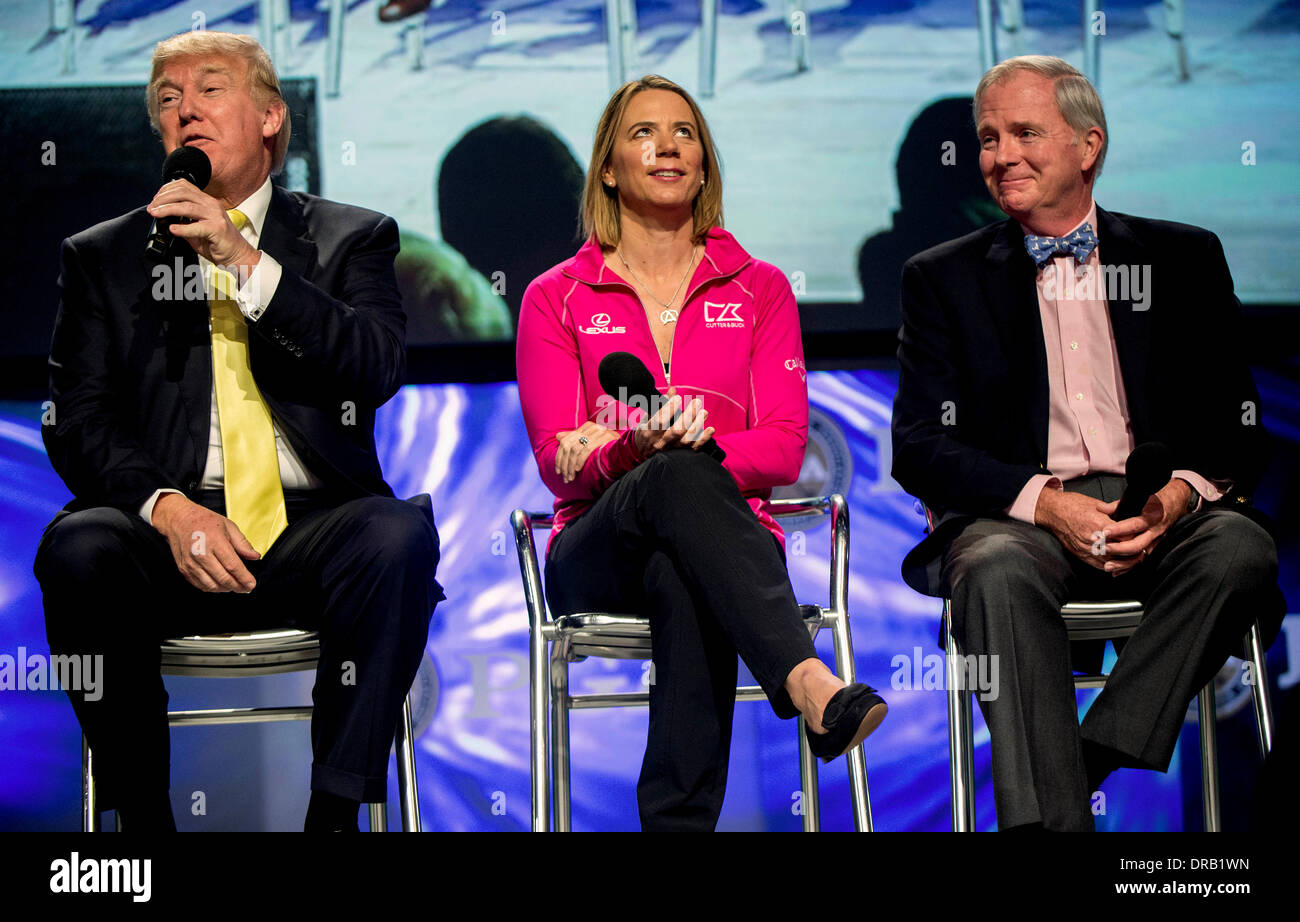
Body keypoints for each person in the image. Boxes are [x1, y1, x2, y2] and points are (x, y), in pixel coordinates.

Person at [34, 31, 444, 832]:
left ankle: (333, 818)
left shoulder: (351, 236)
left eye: (209, 89)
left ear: (269, 116)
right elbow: (77, 421)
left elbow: (373, 365)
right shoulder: (103, 257)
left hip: (312, 534)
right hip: (165, 539)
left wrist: (244, 259)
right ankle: (146, 830)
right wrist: (168, 509)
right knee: (78, 548)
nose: (185, 109)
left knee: (396, 537)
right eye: (166, 99)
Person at [891, 55, 1285, 831]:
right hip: (1025, 524)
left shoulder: (1182, 258)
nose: (1001, 156)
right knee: (994, 567)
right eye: (989, 138)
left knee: (1239, 548)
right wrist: (1047, 504)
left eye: (1025, 133)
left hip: (1161, 515)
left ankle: (1088, 753)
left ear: (1088, 145)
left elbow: (1238, 425)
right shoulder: (943, 278)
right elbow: (918, 447)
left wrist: (1179, 497)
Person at [516, 74, 886, 831]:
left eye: (685, 132)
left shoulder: (760, 289)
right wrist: (634, 453)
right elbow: (557, 458)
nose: (668, 145)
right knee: (671, 478)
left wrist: (665, 447)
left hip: (726, 545)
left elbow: (785, 448)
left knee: (682, 560)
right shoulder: (554, 297)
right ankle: (809, 683)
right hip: (595, 548)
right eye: (644, 132)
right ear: (609, 168)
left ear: (705, 164)